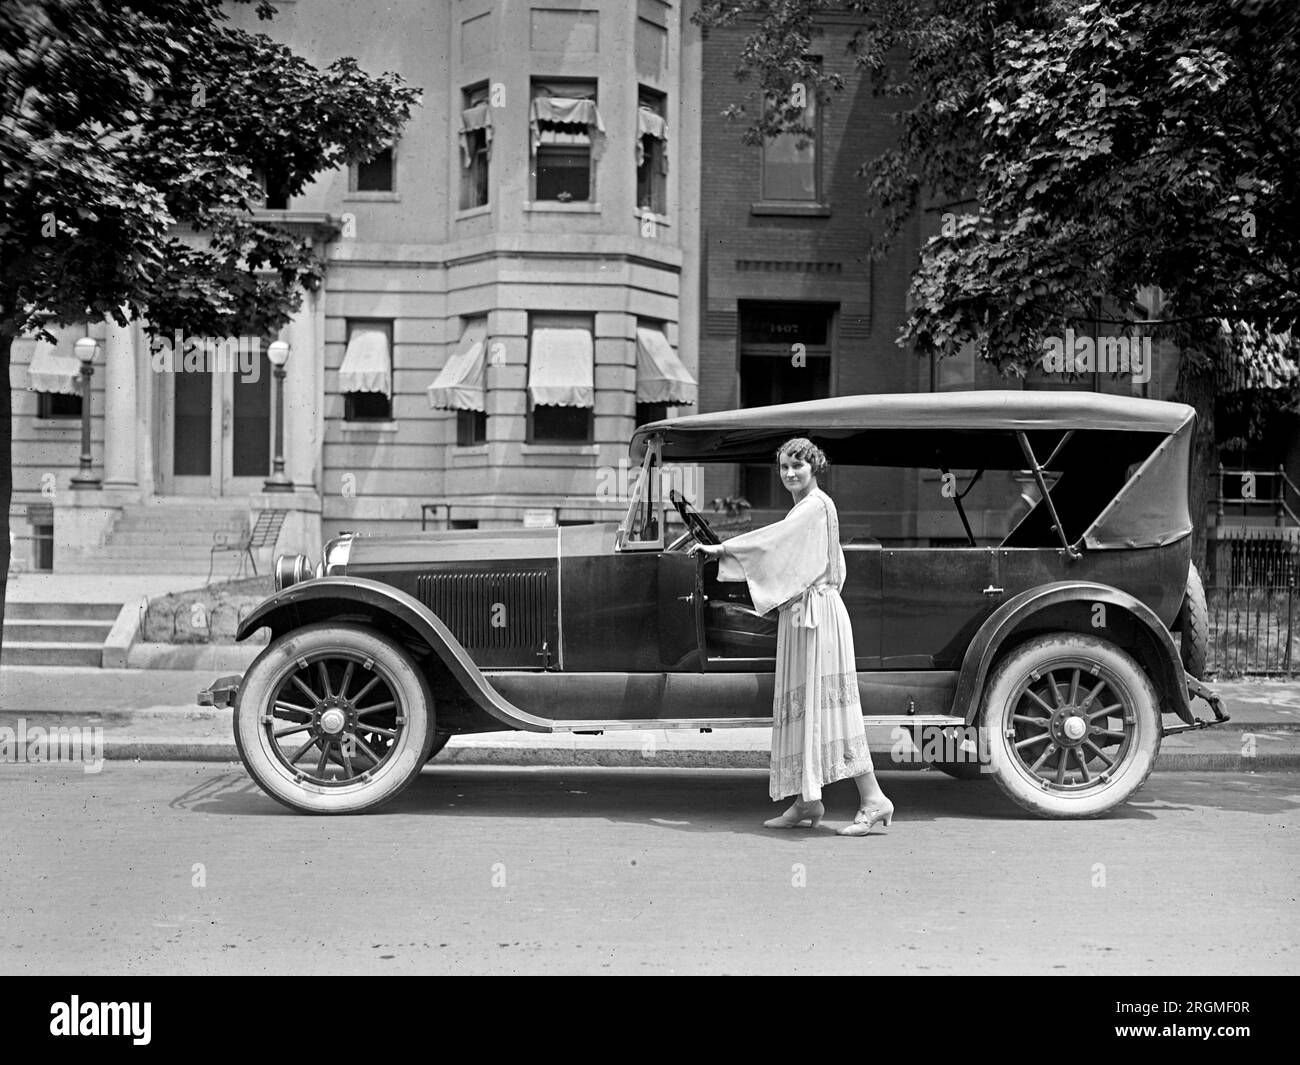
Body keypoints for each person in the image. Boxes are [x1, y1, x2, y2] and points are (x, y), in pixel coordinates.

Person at [689, 438, 894, 836]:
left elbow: (773, 541)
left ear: (813, 466)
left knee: (831, 710)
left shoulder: (815, 507)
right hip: (807, 614)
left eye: (797, 466)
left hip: (818, 616)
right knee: (808, 709)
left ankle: (873, 800)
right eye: (784, 467)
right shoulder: (808, 508)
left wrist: (724, 550)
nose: (789, 474)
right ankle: (807, 801)